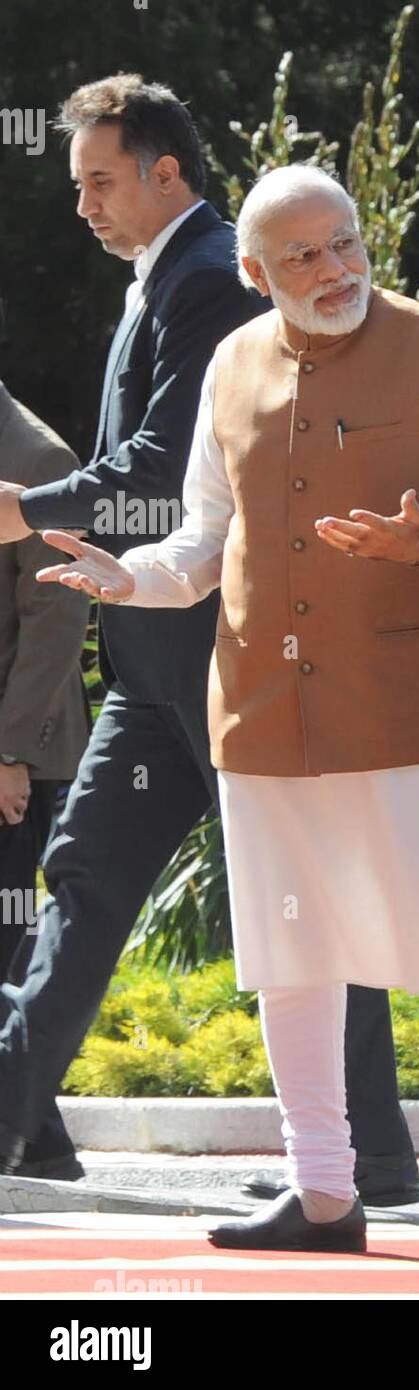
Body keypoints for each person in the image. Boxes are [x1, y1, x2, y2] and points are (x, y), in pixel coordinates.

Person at [38, 164, 419, 1254]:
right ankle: (322, 1195)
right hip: (264, 714)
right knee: (290, 956)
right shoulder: (230, 363)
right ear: (257, 273)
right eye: (304, 256)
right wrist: (131, 578)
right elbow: (207, 543)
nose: (336, 270)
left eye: (347, 242)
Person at [0, 77, 419, 1203]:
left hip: (219, 653)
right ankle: (366, 1150)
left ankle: (368, 1153)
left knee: (288, 896)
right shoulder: (169, 280)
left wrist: (27, 509)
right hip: (167, 655)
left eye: (98, 180)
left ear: (165, 173)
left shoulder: (203, 279)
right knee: (91, 879)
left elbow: (162, 466)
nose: (83, 204)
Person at [0, 386, 89, 1118]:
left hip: (18, 750)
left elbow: (55, 618)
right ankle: (39, 1132)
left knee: (7, 936)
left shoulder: (37, 458)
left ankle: (31, 1127)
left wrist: (8, 754)